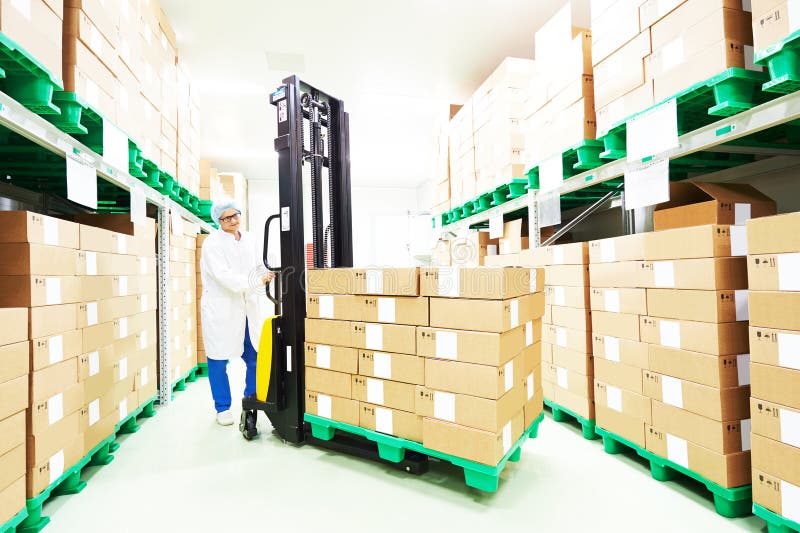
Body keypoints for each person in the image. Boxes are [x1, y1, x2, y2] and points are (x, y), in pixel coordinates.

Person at [200, 197, 275, 426]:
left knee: (253, 357)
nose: (233, 220)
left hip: (247, 308)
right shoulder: (212, 243)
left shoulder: (250, 238)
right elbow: (224, 277)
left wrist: (269, 272)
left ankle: (249, 401)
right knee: (218, 360)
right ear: (218, 220)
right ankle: (222, 408)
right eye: (227, 218)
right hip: (222, 309)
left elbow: (260, 263)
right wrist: (256, 281)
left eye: (236, 215)